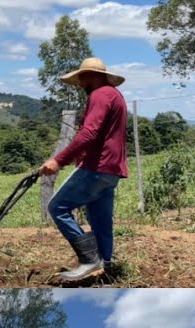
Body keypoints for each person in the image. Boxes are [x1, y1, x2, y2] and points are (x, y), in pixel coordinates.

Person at [38, 58, 129, 284]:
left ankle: (89, 260)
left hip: (96, 167)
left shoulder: (99, 95)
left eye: (82, 77)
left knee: (57, 207)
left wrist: (59, 160)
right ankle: (105, 264)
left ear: (91, 76)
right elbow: (102, 136)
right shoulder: (115, 95)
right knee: (99, 218)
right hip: (112, 169)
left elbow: (89, 133)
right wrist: (75, 157)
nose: (80, 82)